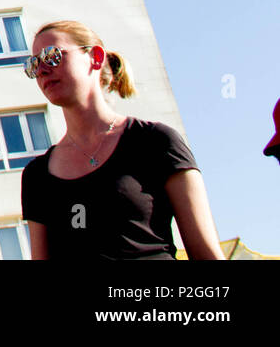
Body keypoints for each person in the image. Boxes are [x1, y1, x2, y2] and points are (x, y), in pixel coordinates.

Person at [20, 20, 223, 260]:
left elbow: (205, 253)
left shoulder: (156, 141)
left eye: (52, 56)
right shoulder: (37, 176)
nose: (42, 69)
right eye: (34, 64)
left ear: (95, 57)